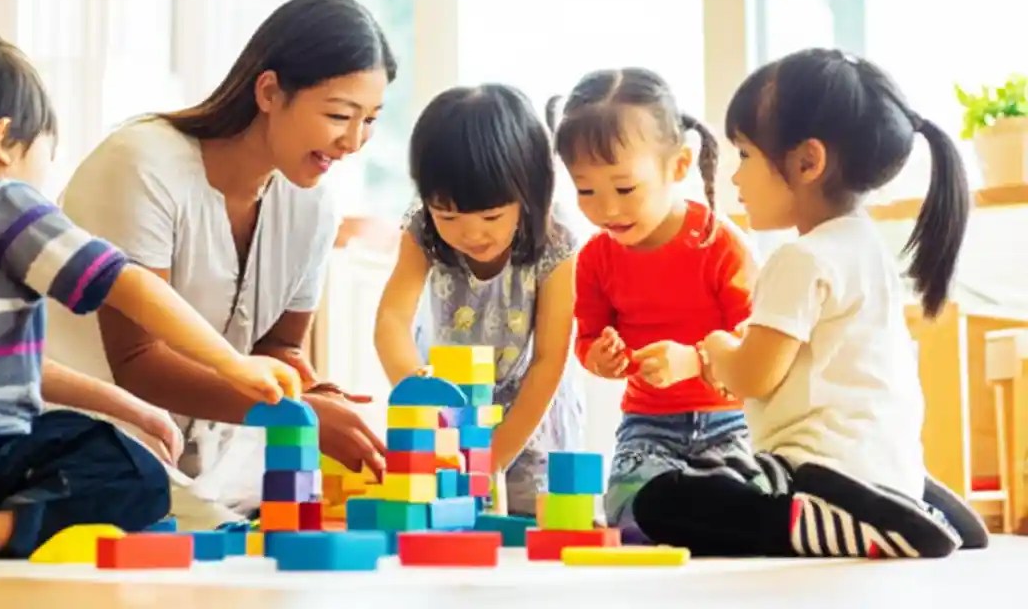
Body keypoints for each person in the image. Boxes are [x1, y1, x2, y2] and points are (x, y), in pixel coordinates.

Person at [0, 29, 301, 560]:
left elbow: (15, 368)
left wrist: (130, 406)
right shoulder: (6, 202)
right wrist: (233, 364)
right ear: (5, 140)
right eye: (48, 148)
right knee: (129, 472)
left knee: (88, 443)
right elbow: (125, 282)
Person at [45, 0, 393, 519]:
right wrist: (300, 413)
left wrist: (321, 394)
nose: (353, 142)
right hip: (81, 436)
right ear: (270, 92)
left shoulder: (312, 204)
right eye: (340, 115)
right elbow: (138, 362)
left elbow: (277, 346)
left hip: (195, 454)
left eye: (370, 119)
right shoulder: (142, 164)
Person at [630, 47, 989, 558]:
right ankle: (908, 500)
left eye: (746, 156)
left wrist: (710, 348)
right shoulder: (865, 246)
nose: (736, 178)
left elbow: (754, 375)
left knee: (662, 501)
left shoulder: (803, 259)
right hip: (883, 461)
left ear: (807, 162)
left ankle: (856, 525)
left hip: (815, 472)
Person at [551, 67, 758, 541]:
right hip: (648, 426)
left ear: (679, 166)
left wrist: (696, 360)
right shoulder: (596, 259)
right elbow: (586, 340)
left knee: (752, 500)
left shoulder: (720, 244)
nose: (606, 209)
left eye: (625, 189)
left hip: (732, 419)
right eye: (586, 190)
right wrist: (601, 359)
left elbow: (756, 344)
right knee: (627, 514)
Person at [374, 83, 583, 516]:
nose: (471, 234)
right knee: (446, 517)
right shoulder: (423, 232)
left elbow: (550, 358)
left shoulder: (555, 241)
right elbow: (392, 319)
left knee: (528, 518)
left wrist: (496, 455)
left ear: (529, 195)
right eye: (448, 216)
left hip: (529, 417)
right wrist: (419, 390)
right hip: (452, 411)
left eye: (491, 217)